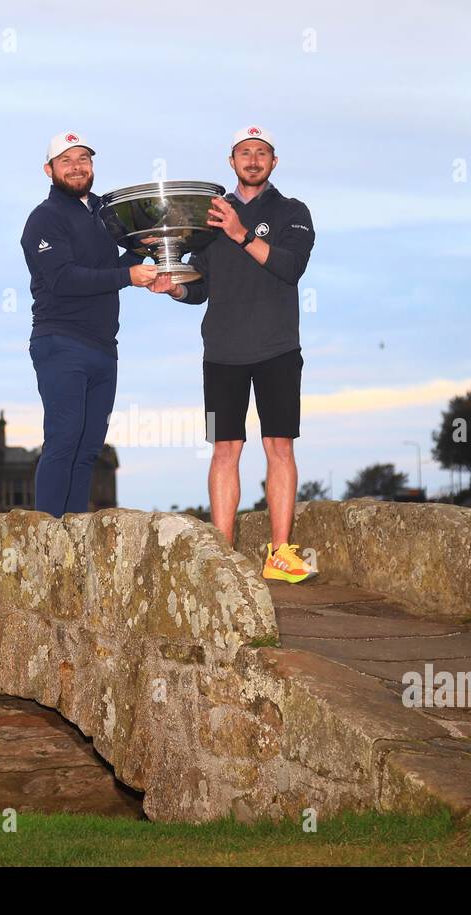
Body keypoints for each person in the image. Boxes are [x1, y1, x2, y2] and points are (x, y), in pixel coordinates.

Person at [156, 125, 318, 583]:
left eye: (261, 152)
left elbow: (290, 268)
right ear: (231, 162)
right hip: (221, 352)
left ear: (274, 161)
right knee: (224, 448)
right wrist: (175, 289)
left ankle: (280, 553)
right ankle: (224, 557)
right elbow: (201, 289)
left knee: (278, 445)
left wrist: (241, 232)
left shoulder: (293, 212)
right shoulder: (209, 217)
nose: (252, 159)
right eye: (244, 152)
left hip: (278, 349)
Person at [20, 131, 158, 518]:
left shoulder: (103, 211)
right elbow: (64, 279)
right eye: (66, 160)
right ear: (49, 170)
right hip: (60, 341)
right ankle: (47, 537)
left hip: (103, 347)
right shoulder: (43, 219)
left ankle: (75, 537)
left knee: (88, 449)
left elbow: (108, 269)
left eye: (83, 158)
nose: (77, 166)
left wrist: (146, 253)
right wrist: (129, 275)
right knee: (63, 442)